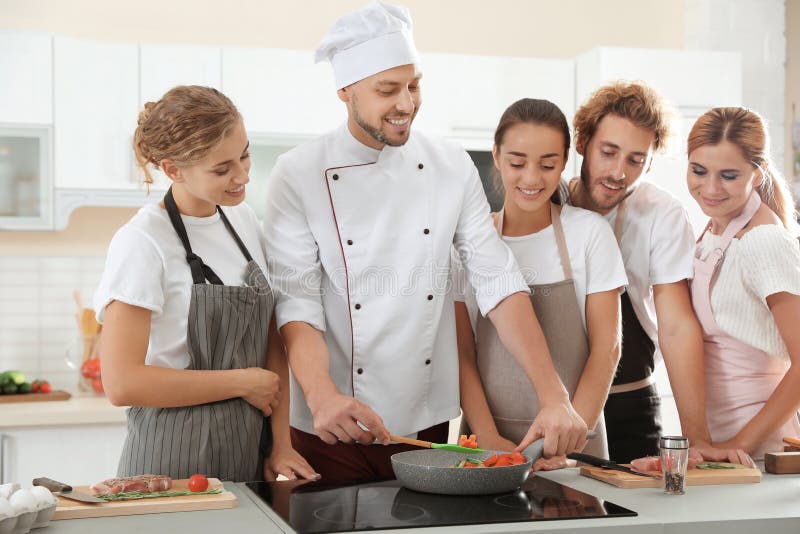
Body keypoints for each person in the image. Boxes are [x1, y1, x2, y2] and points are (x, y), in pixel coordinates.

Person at [263, 2, 586, 483]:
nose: (407, 103)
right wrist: (320, 395)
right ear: (345, 90)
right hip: (328, 427)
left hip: (425, 425)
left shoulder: (450, 166)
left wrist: (553, 395)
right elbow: (298, 304)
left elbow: (498, 279)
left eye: (414, 85)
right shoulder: (298, 174)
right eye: (387, 89)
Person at [94, 85, 317, 481]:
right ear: (173, 170)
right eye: (222, 168)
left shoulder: (244, 220)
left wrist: (280, 445)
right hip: (170, 462)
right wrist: (241, 382)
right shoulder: (143, 242)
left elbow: (269, 341)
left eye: (245, 154)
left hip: (246, 455)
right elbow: (121, 382)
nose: (243, 175)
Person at [561, 81, 748, 464]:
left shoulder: (661, 215)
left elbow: (677, 325)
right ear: (582, 142)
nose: (618, 172)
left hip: (630, 408)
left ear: (650, 162)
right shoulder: (549, 202)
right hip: (554, 411)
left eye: (634, 160)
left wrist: (697, 439)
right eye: (608, 152)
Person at [453, 98, 627, 463]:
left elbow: (606, 349)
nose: (531, 178)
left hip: (575, 436)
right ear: (497, 156)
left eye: (548, 165)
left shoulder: (589, 234)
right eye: (517, 163)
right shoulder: (468, 243)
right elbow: (462, 353)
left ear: (564, 162)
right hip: (487, 441)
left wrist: (569, 438)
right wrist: (487, 436)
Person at [688, 107, 800, 460]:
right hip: (718, 444)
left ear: (758, 173)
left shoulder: (764, 242)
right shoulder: (713, 229)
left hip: (760, 449)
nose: (710, 188)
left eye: (729, 175)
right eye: (698, 171)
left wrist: (739, 444)